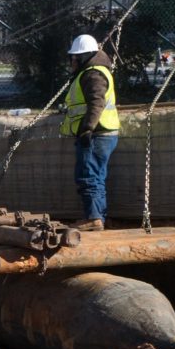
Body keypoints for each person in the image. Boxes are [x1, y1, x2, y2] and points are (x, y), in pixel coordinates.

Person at [60, 34, 120, 231]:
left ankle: (93, 217)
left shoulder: (92, 74)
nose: (72, 61)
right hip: (103, 133)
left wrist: (87, 129)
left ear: (83, 56)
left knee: (88, 176)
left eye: (74, 58)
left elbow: (96, 102)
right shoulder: (96, 71)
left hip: (95, 134)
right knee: (97, 177)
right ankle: (98, 218)